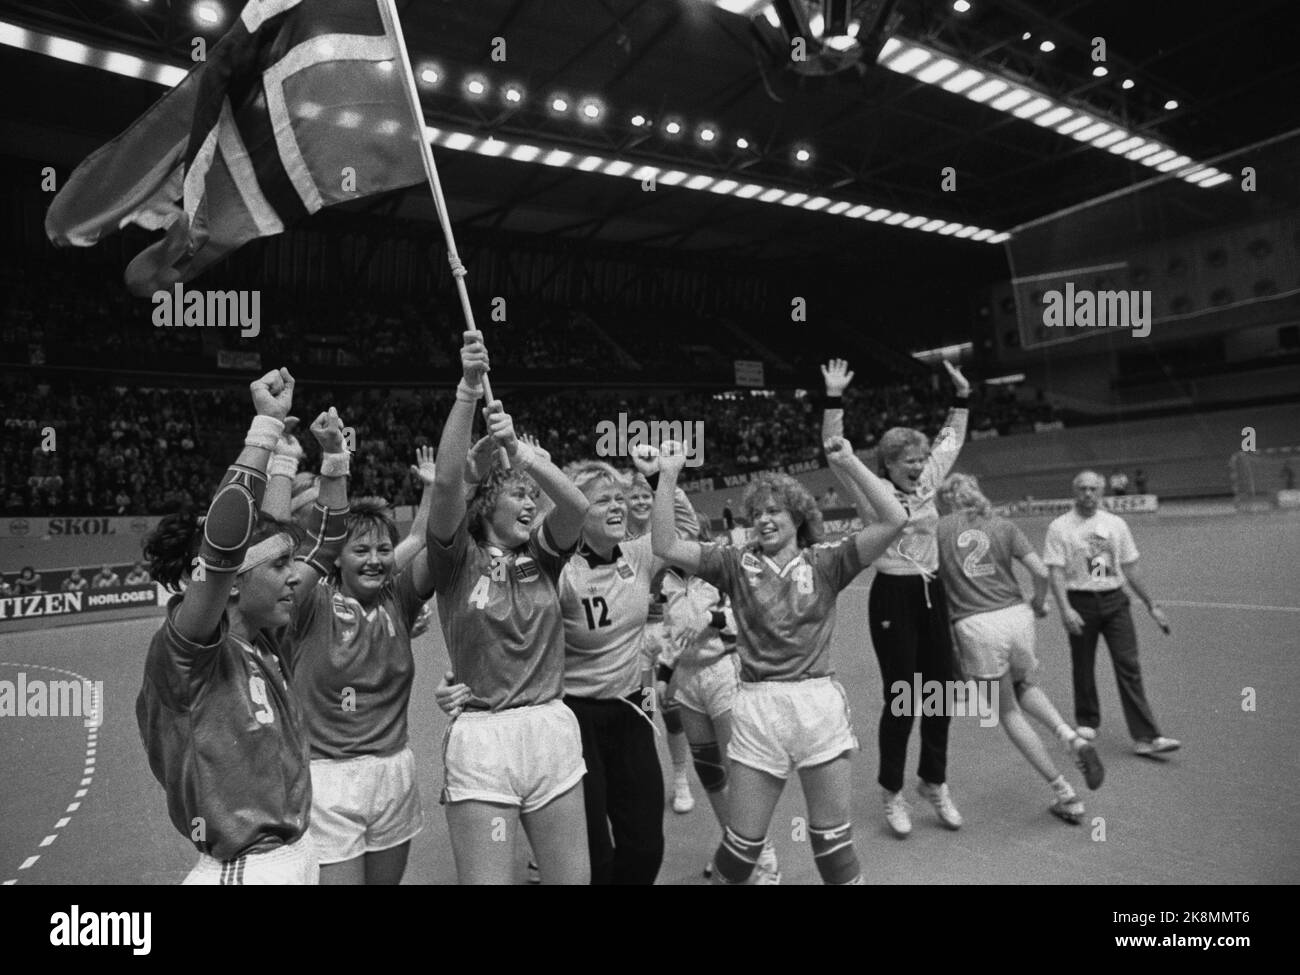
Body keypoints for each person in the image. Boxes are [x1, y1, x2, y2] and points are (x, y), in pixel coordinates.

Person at [651, 434, 907, 885]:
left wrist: (849, 462)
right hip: (756, 705)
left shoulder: (827, 561)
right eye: (757, 513)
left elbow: (894, 519)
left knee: (831, 845)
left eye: (774, 510)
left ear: (798, 515)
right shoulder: (733, 562)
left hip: (816, 705)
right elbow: (666, 545)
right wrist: (668, 476)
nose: (763, 520)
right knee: (740, 847)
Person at [136, 368, 349, 884]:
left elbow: (323, 543)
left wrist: (325, 460)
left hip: (293, 857)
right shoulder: (191, 655)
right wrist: (264, 431)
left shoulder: (264, 639)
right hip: (246, 870)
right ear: (229, 582)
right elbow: (228, 546)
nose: (294, 579)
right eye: (279, 569)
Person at [426, 330, 591, 885]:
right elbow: (448, 481)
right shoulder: (456, 561)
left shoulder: (544, 556)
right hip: (484, 739)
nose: (529, 503)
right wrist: (468, 391)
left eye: (530, 495)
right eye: (517, 493)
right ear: (487, 503)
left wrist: (523, 456)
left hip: (550, 728)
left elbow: (577, 506)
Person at [821, 357, 970, 837]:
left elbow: (952, 440)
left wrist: (962, 396)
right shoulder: (873, 490)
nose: (919, 468)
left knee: (941, 692)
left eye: (921, 461)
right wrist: (833, 398)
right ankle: (892, 791)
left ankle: (934, 781)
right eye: (909, 461)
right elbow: (833, 451)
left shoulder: (928, 483)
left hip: (931, 590)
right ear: (888, 464)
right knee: (903, 696)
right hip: (893, 594)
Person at [286, 440, 439, 885]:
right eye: (361, 551)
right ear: (337, 556)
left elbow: (423, 537)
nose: (374, 560)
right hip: (327, 780)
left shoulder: (400, 598)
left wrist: (432, 489)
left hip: (393, 772)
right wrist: (331, 459)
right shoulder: (310, 604)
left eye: (382, 550)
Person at [935, 473, 1104, 824]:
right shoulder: (1003, 525)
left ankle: (1065, 794)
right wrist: (1039, 604)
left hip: (977, 625)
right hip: (1017, 617)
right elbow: (1041, 572)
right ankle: (1069, 736)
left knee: (1007, 711)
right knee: (1025, 684)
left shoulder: (938, 531)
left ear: (946, 500)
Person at [653, 519, 780, 881]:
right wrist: (663, 676)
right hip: (688, 680)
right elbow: (670, 633)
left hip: (724, 672)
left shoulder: (723, 568)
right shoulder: (666, 580)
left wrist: (711, 617)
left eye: (683, 536)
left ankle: (763, 852)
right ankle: (733, 844)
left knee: (740, 771)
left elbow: (748, 616)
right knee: (710, 771)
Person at [1043, 470, 1181, 757]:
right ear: (1074, 491)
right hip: (1080, 602)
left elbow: (1130, 567)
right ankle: (1087, 719)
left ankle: (1146, 737)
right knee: (1082, 663)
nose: (1088, 494)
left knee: (1128, 665)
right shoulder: (1060, 527)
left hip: (1115, 602)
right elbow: (1055, 572)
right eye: (1082, 489)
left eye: (1093, 489)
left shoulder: (1115, 525)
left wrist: (1151, 604)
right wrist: (1065, 608)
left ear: (1102, 492)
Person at [625, 469, 695, 815]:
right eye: (633, 496)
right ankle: (645, 779)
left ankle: (681, 778)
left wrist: (664, 482)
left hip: (666, 630)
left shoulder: (665, 533)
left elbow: (689, 523)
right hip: (632, 636)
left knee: (672, 707)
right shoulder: (617, 536)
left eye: (645, 496)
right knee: (641, 708)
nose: (639, 502)